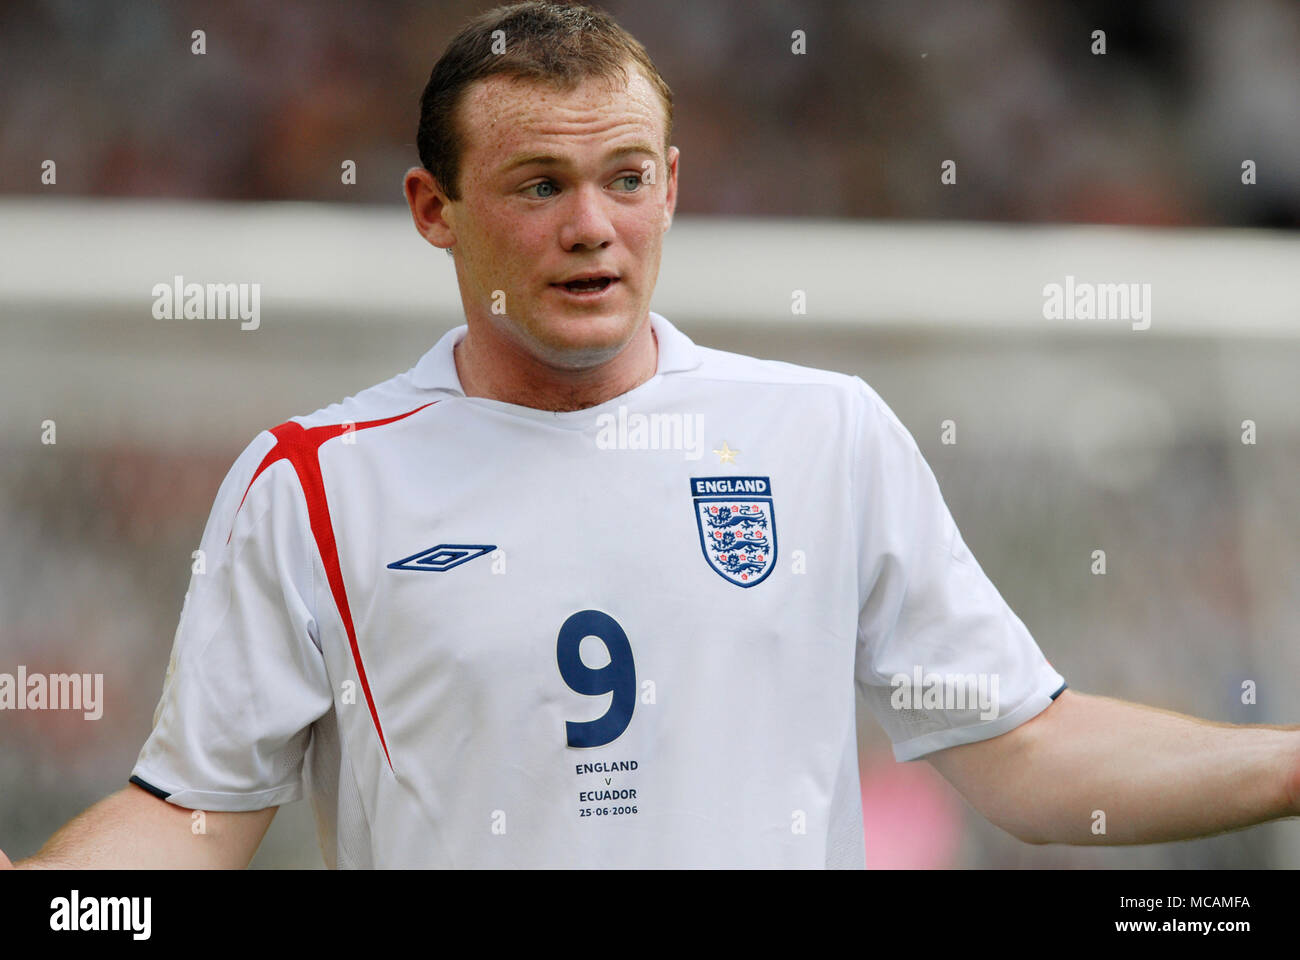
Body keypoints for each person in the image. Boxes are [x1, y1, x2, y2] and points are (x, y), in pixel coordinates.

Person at [6, 0, 1298, 870]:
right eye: (539, 185)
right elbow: (187, 825)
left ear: (672, 185)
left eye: (627, 178)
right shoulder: (314, 486)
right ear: (431, 208)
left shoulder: (822, 435)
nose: (592, 227)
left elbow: (1028, 749)